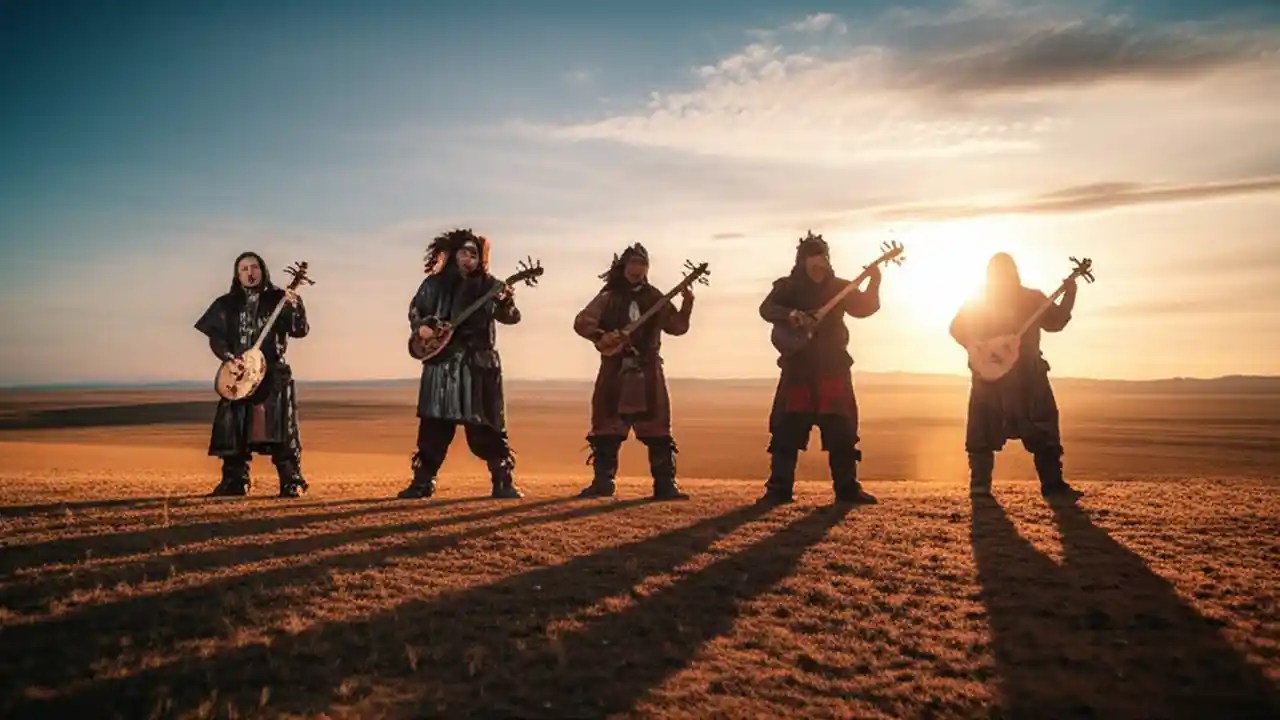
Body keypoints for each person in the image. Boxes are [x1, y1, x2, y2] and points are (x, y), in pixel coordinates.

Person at [757, 231, 880, 505]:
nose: (818, 262)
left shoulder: (840, 287)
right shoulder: (788, 287)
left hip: (833, 368)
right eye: (812, 256)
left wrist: (875, 280)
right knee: (786, 431)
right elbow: (766, 309)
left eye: (822, 256)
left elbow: (865, 308)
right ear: (802, 260)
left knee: (842, 431)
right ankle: (778, 490)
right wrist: (790, 315)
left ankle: (847, 489)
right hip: (798, 367)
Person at [399, 229, 523, 500]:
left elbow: (512, 317)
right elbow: (416, 311)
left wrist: (506, 301)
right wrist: (423, 328)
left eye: (474, 254)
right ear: (453, 255)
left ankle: (503, 481)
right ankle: (423, 481)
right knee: (433, 428)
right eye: (464, 253)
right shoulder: (433, 285)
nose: (469, 259)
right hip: (441, 366)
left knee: (487, 428)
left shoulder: (490, 286)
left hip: (479, 368)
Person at [949, 252, 1083, 501]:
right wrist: (978, 346)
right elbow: (957, 328)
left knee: (1037, 429)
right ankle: (1042, 486)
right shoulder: (989, 301)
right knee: (989, 433)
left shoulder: (1026, 299)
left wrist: (1069, 294)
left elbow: (1055, 321)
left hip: (1016, 378)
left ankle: (988, 487)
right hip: (1005, 378)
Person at [573, 243, 694, 501]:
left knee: (658, 429)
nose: (637, 269)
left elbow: (677, 327)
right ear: (624, 267)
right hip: (615, 368)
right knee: (607, 428)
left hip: (648, 370)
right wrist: (601, 336)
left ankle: (665, 485)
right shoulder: (608, 296)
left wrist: (687, 304)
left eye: (642, 264)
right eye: (633, 263)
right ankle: (603, 482)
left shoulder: (656, 298)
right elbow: (583, 322)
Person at [195, 251, 309, 497]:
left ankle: (292, 481)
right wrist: (228, 358)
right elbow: (216, 338)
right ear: (237, 274)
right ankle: (235, 481)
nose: (250, 273)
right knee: (233, 426)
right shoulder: (225, 304)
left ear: (263, 270)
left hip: (272, 373)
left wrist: (295, 305)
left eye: (254, 267)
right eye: (244, 268)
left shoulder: (280, 299)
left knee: (281, 428)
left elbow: (299, 330)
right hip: (237, 373)